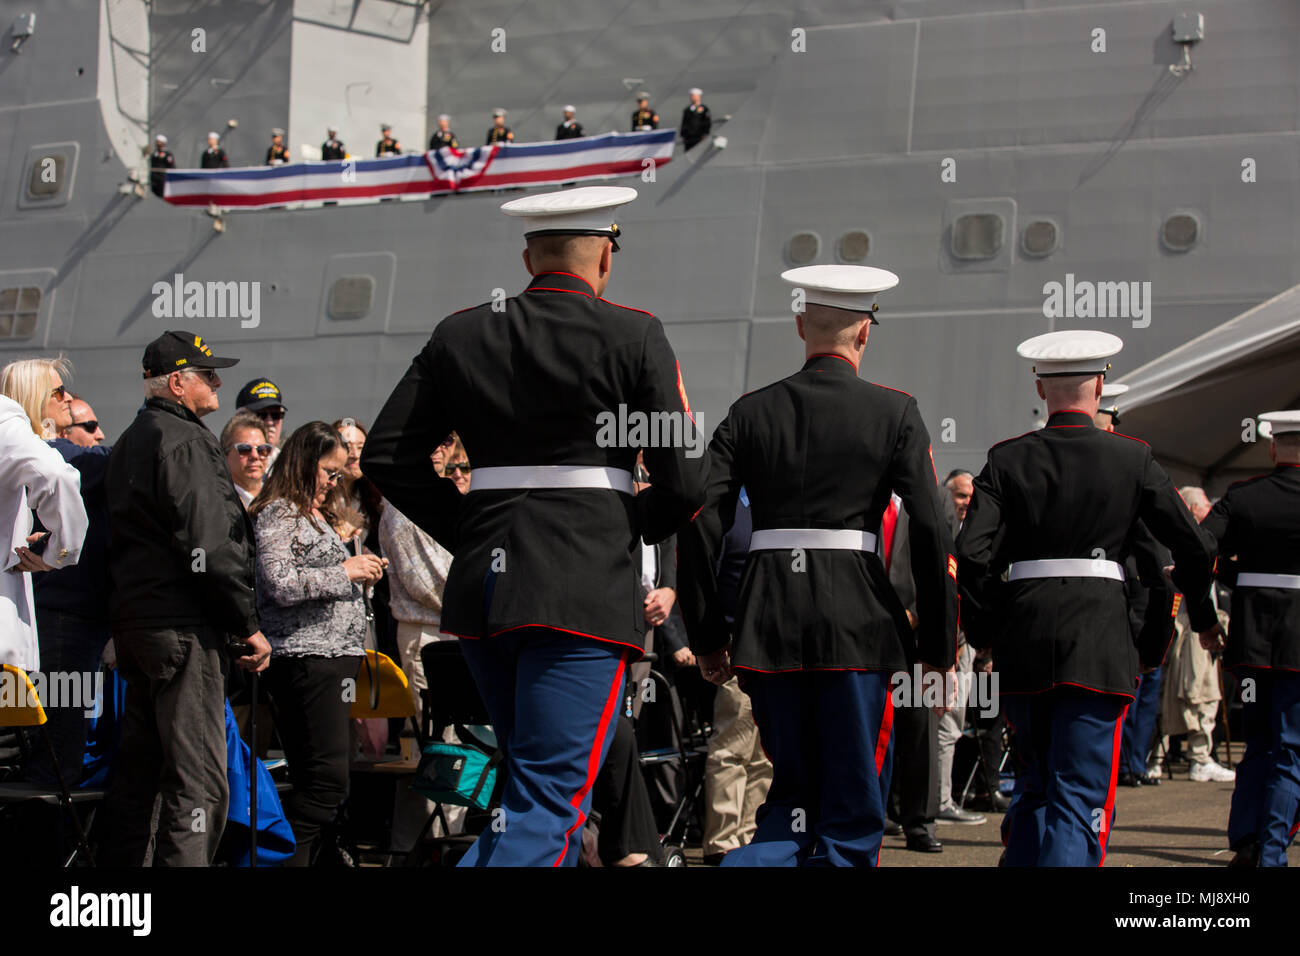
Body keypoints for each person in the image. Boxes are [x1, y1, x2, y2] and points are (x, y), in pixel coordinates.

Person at [362, 185, 707, 866]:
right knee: (550, 802)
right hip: (578, 588)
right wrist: (628, 520)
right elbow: (687, 481)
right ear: (605, 257)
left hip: (485, 594)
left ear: (527, 258)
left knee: (525, 794)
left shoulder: (460, 332)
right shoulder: (635, 334)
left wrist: (467, 527)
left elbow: (386, 455)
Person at [678, 264, 959, 867]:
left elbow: (702, 522)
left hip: (768, 625)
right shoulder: (895, 411)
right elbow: (932, 529)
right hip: (857, 626)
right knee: (852, 808)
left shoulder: (749, 413)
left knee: (793, 797)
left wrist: (707, 636)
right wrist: (938, 649)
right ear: (865, 333)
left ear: (800, 324)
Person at [955, 329, 1215, 867]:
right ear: (1100, 385)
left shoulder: (1007, 459)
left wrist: (989, 632)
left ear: (1040, 386)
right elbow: (1192, 548)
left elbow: (971, 555)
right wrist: (1177, 631)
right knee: (1077, 795)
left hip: (1025, 643)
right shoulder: (1133, 459)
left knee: (1033, 787)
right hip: (1098, 644)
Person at [97, 331, 270, 866]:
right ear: (177, 382)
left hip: (139, 629)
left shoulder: (130, 439)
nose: (218, 382)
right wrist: (246, 624)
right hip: (183, 631)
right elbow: (211, 545)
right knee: (199, 784)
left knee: (140, 775)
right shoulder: (187, 440)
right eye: (207, 374)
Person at [251, 421, 385, 866]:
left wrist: (360, 567)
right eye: (329, 471)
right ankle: (282, 857)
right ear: (305, 464)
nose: (335, 481)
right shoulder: (279, 513)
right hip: (307, 659)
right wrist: (344, 572)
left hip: (334, 661)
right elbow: (280, 584)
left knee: (328, 781)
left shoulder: (315, 513)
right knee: (325, 783)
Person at [1192, 409, 1300, 867]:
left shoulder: (1244, 496)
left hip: (1251, 649)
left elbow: (1197, 553)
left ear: (1274, 446)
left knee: (1257, 743)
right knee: (1291, 750)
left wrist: (1206, 618)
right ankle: (1270, 854)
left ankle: (1248, 842)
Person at [0, 358, 88, 674]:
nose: (68, 399)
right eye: (59, 391)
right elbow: (57, 477)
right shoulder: (7, 424)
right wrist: (58, 554)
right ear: (34, 395)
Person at [699, 486, 772, 865]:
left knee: (765, 754)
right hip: (735, 648)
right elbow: (707, 579)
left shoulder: (769, 504)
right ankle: (724, 841)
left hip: (773, 649)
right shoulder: (728, 511)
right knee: (732, 747)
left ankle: (749, 835)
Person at [1160, 486, 1234, 784]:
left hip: (1203, 628)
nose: (1210, 511)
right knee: (1195, 695)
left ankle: (1195, 757)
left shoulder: (1207, 541)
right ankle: (1195, 759)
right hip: (1191, 631)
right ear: (1191, 508)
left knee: (1203, 696)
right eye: (1204, 505)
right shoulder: (1185, 541)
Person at [221, 411, 271, 510]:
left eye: (262, 449)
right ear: (225, 456)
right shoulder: (217, 502)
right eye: (244, 449)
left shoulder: (282, 497)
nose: (255, 456)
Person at [236, 378, 286, 471]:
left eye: (276, 415)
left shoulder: (290, 464)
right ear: (239, 418)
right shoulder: (227, 464)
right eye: (261, 415)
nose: (270, 422)